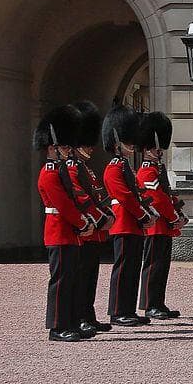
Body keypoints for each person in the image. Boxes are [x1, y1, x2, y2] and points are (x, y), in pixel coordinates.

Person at [35, 104, 95, 342]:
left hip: (69, 232)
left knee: (71, 280)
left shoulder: (60, 170)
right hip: (59, 232)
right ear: (52, 147)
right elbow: (63, 204)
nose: (69, 151)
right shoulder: (49, 173)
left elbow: (73, 201)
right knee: (60, 281)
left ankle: (70, 322)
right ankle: (57, 326)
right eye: (65, 147)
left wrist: (83, 221)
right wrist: (82, 222)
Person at [101, 104, 156, 326]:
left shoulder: (126, 167)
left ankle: (128, 309)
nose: (132, 146)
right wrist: (143, 215)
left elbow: (138, 193)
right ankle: (117, 311)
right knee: (123, 268)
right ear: (117, 143)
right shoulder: (114, 168)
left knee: (132, 268)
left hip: (133, 222)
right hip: (124, 222)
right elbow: (124, 196)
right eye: (127, 142)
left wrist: (147, 212)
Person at [137, 111, 188, 320]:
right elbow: (157, 199)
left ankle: (158, 302)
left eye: (159, 149)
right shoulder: (147, 171)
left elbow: (167, 195)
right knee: (153, 266)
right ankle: (150, 304)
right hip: (156, 224)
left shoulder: (158, 169)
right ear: (146, 149)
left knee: (162, 266)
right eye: (155, 149)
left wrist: (178, 214)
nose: (158, 152)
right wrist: (174, 218)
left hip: (164, 225)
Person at [69, 100, 114, 334]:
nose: (91, 148)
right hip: (85, 230)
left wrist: (106, 213)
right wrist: (100, 217)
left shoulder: (86, 169)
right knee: (81, 277)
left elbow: (97, 195)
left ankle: (88, 314)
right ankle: (80, 316)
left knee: (91, 276)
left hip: (94, 231)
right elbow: (80, 198)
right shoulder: (71, 168)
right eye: (87, 144)